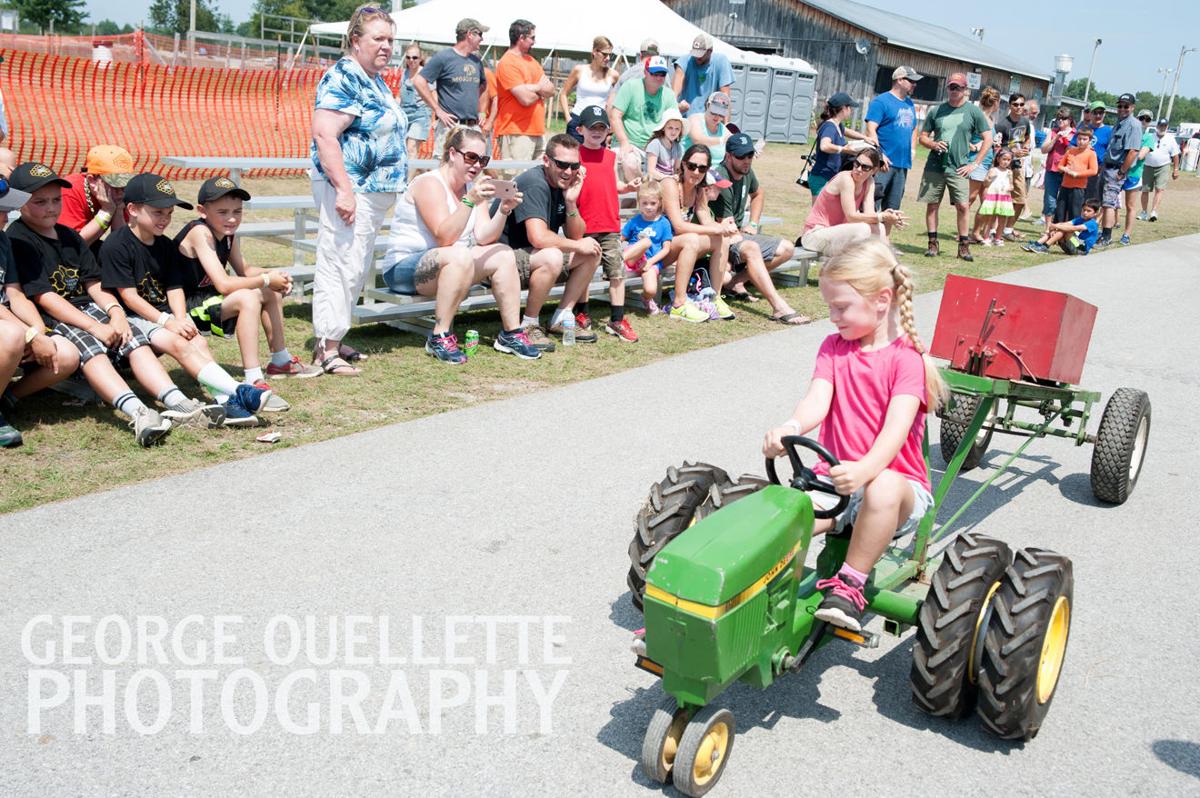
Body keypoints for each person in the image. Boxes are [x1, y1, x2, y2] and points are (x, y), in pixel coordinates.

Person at [762, 238, 945, 631]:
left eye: (840, 306)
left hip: (896, 493)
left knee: (883, 486)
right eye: (830, 306)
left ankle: (850, 585)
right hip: (837, 482)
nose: (832, 316)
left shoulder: (906, 360)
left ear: (881, 300)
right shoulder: (833, 348)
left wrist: (864, 470)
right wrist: (790, 428)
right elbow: (817, 400)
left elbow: (895, 432)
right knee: (780, 515)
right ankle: (750, 592)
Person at [6, 162, 178, 447]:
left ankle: (176, 401)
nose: (51, 208)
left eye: (56, 200)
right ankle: (138, 412)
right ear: (20, 203)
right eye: (40, 202)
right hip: (51, 316)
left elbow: (93, 283)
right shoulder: (19, 238)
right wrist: (95, 326)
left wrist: (116, 313)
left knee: (133, 336)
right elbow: (44, 297)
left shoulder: (69, 235)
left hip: (85, 309)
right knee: (88, 344)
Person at [99, 174, 271, 426]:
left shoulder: (166, 245)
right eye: (158, 212)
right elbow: (129, 297)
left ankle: (226, 402)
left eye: (168, 213)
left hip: (163, 315)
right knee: (178, 342)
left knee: (197, 341)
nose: (165, 219)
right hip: (131, 320)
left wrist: (181, 319)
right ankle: (239, 390)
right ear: (133, 209)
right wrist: (168, 321)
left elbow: (174, 287)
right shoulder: (116, 244)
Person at [379, 127, 541, 363]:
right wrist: (470, 201)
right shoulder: (430, 183)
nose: (476, 165)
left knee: (504, 254)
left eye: (482, 159)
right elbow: (444, 237)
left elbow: (485, 237)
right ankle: (440, 335)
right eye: (471, 157)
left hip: (452, 263)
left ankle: (511, 332)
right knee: (459, 254)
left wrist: (504, 212)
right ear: (452, 154)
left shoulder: (471, 188)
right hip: (403, 269)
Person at [309, 5, 406, 377]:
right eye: (378, 38)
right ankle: (327, 347)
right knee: (340, 263)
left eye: (390, 40)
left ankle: (334, 337)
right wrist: (344, 191)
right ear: (355, 40)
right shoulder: (344, 76)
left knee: (355, 265)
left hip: (372, 190)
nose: (386, 46)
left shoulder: (374, 78)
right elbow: (324, 134)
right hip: (351, 187)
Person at [174, 177, 321, 385]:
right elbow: (223, 284)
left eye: (237, 211)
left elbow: (246, 270)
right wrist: (266, 279)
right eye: (223, 212)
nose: (232, 219)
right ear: (202, 211)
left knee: (269, 290)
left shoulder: (227, 233)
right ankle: (253, 379)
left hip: (208, 299)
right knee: (248, 298)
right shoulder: (200, 232)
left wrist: (275, 274)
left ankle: (280, 360)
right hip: (183, 307)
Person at [496, 133, 603, 350]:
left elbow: (576, 235)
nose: (568, 171)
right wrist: (576, 245)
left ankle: (562, 317)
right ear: (546, 161)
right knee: (553, 255)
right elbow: (538, 237)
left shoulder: (563, 186)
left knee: (591, 250)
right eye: (562, 164)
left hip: (531, 256)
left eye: (574, 166)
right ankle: (528, 324)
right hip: (503, 259)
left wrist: (571, 202)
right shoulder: (535, 183)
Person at [0, 179, 81, 447]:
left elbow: (14, 293)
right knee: (12, 335)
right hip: (6, 328)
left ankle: (8, 397)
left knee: (67, 354)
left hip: (8, 324)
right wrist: (29, 334)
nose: (4, 217)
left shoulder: (2, 240)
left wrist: (40, 332)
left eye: (5, 210)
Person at [710, 133, 808, 324]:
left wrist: (753, 223)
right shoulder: (720, 177)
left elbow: (758, 193)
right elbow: (727, 228)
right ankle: (779, 308)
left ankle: (736, 281)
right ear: (728, 156)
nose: (747, 161)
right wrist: (743, 234)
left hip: (737, 233)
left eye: (749, 155)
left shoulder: (747, 172)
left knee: (787, 248)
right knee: (751, 248)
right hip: (720, 237)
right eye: (741, 156)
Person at [573, 106, 642, 342]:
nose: (597, 132)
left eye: (601, 128)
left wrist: (629, 187)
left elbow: (614, 185)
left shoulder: (611, 157)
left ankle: (617, 318)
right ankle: (581, 312)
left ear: (607, 132)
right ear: (580, 129)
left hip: (610, 224)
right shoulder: (575, 156)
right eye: (592, 128)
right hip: (584, 225)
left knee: (616, 273)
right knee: (584, 272)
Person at [658, 144, 737, 322]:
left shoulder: (699, 189)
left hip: (674, 245)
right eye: (692, 166)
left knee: (721, 240)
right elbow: (678, 226)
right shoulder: (670, 184)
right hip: (656, 248)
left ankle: (714, 298)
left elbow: (706, 219)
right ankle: (679, 304)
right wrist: (714, 228)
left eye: (702, 168)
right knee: (692, 240)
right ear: (683, 164)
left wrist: (722, 227)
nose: (696, 172)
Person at [918, 72, 992, 261]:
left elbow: (988, 138)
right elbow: (923, 136)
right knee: (933, 205)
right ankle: (932, 244)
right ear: (947, 88)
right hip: (935, 166)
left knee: (963, 206)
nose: (954, 90)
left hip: (959, 167)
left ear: (965, 90)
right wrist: (933, 144)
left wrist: (974, 164)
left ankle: (964, 247)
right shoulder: (936, 111)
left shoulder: (973, 111)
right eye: (951, 87)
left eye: (958, 87)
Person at [800, 148, 905, 257]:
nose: (858, 169)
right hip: (814, 235)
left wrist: (887, 215)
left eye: (865, 167)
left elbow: (870, 216)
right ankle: (861, 267)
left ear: (874, 170)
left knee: (880, 228)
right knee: (863, 229)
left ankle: (882, 264)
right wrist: (882, 216)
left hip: (836, 235)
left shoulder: (869, 182)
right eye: (856, 163)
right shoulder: (845, 179)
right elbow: (851, 217)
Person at [412, 18, 488, 153]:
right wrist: (438, 111)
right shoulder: (444, 57)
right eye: (480, 34)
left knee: (473, 167)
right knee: (445, 168)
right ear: (470, 34)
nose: (482, 39)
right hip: (451, 127)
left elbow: (483, 87)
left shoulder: (476, 62)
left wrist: (482, 111)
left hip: (472, 127)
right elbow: (419, 81)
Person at [495, 19, 556, 163]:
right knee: (516, 180)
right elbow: (526, 99)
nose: (534, 42)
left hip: (537, 131)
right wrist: (539, 88)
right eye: (532, 38)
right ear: (521, 38)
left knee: (536, 179)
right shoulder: (507, 62)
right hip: (516, 132)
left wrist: (531, 88)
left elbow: (551, 90)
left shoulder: (531, 61)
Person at [58, 144, 135, 254]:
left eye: (124, 183)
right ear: (92, 180)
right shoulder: (69, 190)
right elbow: (73, 247)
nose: (120, 190)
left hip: (89, 246)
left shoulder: (121, 193)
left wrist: (118, 210)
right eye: (115, 184)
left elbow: (123, 245)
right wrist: (107, 210)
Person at [611, 55, 678, 181]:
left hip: (656, 147)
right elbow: (615, 115)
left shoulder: (669, 95)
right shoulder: (630, 86)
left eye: (662, 74)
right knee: (630, 162)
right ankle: (643, 191)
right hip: (630, 143)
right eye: (655, 73)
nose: (659, 77)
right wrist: (625, 143)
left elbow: (675, 123)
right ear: (645, 72)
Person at [865, 66, 922, 212]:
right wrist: (879, 155)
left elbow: (914, 127)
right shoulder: (881, 101)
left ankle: (886, 236)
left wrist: (913, 148)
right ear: (899, 80)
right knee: (873, 204)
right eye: (911, 81)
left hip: (902, 164)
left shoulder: (909, 103)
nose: (914, 84)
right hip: (884, 164)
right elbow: (871, 129)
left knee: (893, 209)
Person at [1095, 93, 1142, 249]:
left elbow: (1133, 151)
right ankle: (1102, 234)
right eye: (1120, 106)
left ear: (1132, 107)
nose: (1122, 109)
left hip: (1116, 169)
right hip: (1107, 167)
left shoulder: (1134, 125)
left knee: (1109, 204)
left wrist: (1122, 170)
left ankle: (1106, 236)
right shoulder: (1119, 123)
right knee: (1103, 202)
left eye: (1126, 106)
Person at [622, 183, 674, 318]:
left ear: (659, 203)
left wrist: (650, 262)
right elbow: (620, 238)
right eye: (645, 203)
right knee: (645, 242)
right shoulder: (634, 221)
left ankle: (646, 299)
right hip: (632, 258)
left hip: (650, 262)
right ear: (639, 203)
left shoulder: (664, 223)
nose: (649, 207)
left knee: (650, 289)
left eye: (653, 203)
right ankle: (617, 261)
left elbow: (666, 249)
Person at [559, 36, 618, 143]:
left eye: (611, 55)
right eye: (605, 54)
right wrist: (568, 118)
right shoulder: (579, 70)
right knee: (574, 158)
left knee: (596, 158)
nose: (608, 58)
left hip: (599, 123)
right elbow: (563, 94)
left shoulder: (613, 75)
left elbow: (620, 101)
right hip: (578, 120)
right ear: (594, 52)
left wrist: (612, 124)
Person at [810, 92, 867, 197]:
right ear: (843, 109)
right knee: (820, 213)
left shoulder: (837, 125)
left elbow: (847, 131)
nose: (851, 110)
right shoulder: (830, 127)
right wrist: (844, 149)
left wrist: (865, 138)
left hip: (829, 176)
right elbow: (824, 146)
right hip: (822, 178)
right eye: (849, 107)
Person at [992, 93, 1032, 239]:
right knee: (1000, 198)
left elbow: (1027, 138)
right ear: (1010, 106)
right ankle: (994, 229)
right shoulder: (1002, 124)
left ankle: (1008, 229)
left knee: (1020, 199)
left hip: (1018, 165)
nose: (1019, 107)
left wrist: (1025, 148)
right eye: (1016, 104)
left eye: (1021, 104)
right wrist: (1011, 151)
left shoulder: (1025, 122)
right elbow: (996, 147)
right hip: (1004, 167)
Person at [1116, 110, 1158, 246]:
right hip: (1118, 172)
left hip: (1133, 174)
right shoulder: (1129, 131)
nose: (1143, 121)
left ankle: (1126, 235)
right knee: (1108, 202)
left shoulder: (1148, 137)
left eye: (1147, 119)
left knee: (1130, 206)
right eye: (1141, 118)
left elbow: (1140, 155)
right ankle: (1103, 231)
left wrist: (1131, 154)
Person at [672, 33, 733, 118]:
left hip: (710, 120)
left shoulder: (721, 61)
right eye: (695, 53)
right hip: (686, 119)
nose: (697, 57)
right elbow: (674, 93)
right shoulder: (684, 61)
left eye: (700, 54)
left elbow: (725, 97)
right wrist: (676, 106)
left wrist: (726, 126)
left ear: (710, 51)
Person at [965, 87, 1000, 217]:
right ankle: (961, 232)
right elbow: (963, 136)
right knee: (971, 197)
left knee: (986, 200)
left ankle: (977, 232)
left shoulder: (991, 120)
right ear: (996, 103)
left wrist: (994, 142)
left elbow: (988, 140)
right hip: (976, 162)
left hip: (987, 163)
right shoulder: (977, 117)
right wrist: (974, 145)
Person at [1024, 198, 1101, 255]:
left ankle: (1045, 246)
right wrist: (1055, 228)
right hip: (1070, 245)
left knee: (1065, 229)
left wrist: (1054, 226)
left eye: (1088, 211)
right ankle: (1037, 244)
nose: (1085, 213)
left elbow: (1074, 228)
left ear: (1095, 213)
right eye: (1084, 210)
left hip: (1080, 249)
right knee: (1063, 227)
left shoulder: (1092, 223)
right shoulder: (1080, 219)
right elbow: (1066, 223)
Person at [1139, 118, 1182, 222]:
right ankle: (1144, 212)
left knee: (1160, 189)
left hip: (1163, 166)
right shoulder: (1150, 137)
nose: (1162, 128)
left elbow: (1175, 155)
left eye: (1164, 126)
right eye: (1161, 126)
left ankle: (1154, 211)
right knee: (1145, 189)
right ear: (1157, 126)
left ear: (1166, 127)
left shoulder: (1170, 139)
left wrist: (1176, 169)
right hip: (1148, 165)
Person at [1054, 126, 1097, 224]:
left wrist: (1077, 174)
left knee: (1074, 214)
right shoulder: (1071, 151)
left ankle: (1071, 236)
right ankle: (1057, 236)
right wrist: (1064, 169)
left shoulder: (1091, 153)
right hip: (1065, 186)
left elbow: (1093, 170)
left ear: (1090, 140)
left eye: (1084, 139)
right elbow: (1060, 166)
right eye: (1079, 139)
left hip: (1078, 188)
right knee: (1059, 213)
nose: (1081, 141)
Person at [973, 148, 1015, 246]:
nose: (1006, 162)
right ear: (998, 159)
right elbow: (986, 183)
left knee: (1002, 219)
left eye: (1008, 160)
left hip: (1004, 197)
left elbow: (1012, 185)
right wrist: (990, 177)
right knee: (989, 219)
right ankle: (986, 238)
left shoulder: (1009, 172)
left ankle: (998, 238)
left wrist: (1010, 188)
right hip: (993, 197)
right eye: (1004, 159)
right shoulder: (993, 170)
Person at [1039, 110, 1075, 226]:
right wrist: (1055, 138)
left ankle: (1061, 227)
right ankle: (1048, 228)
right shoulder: (1053, 132)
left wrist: (1067, 141)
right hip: (1052, 170)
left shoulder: (1075, 133)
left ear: (1069, 120)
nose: (1060, 121)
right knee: (1050, 200)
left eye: (1063, 118)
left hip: (1067, 172)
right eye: (1058, 118)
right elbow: (1043, 150)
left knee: (1065, 200)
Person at [399, 43, 432, 162]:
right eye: (408, 57)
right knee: (403, 149)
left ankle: (410, 179)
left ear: (420, 58)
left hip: (420, 114)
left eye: (414, 57)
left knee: (411, 147)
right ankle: (413, 174)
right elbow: (400, 95)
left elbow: (433, 95)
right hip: (404, 114)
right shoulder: (404, 73)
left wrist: (435, 118)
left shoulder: (425, 73)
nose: (411, 60)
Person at [684, 91, 732, 165]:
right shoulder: (695, 119)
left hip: (717, 172)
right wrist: (721, 140)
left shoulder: (724, 130)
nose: (717, 116)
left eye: (721, 114)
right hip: (693, 168)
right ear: (708, 105)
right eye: (714, 111)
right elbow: (697, 140)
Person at [1082, 101, 1113, 202]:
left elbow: (1111, 152)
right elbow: (1071, 147)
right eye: (1095, 113)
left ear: (1104, 114)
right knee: (1078, 200)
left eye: (1101, 113)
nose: (1098, 115)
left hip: (1098, 172)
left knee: (1092, 202)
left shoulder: (1109, 131)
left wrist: (1102, 167)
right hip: (1081, 170)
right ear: (1090, 114)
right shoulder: (1084, 129)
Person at [645, 108, 685, 181]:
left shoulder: (679, 147)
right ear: (663, 128)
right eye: (670, 128)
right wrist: (667, 178)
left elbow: (677, 169)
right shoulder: (655, 144)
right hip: (654, 181)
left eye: (677, 129)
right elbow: (651, 171)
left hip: (670, 180)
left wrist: (678, 175)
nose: (673, 132)